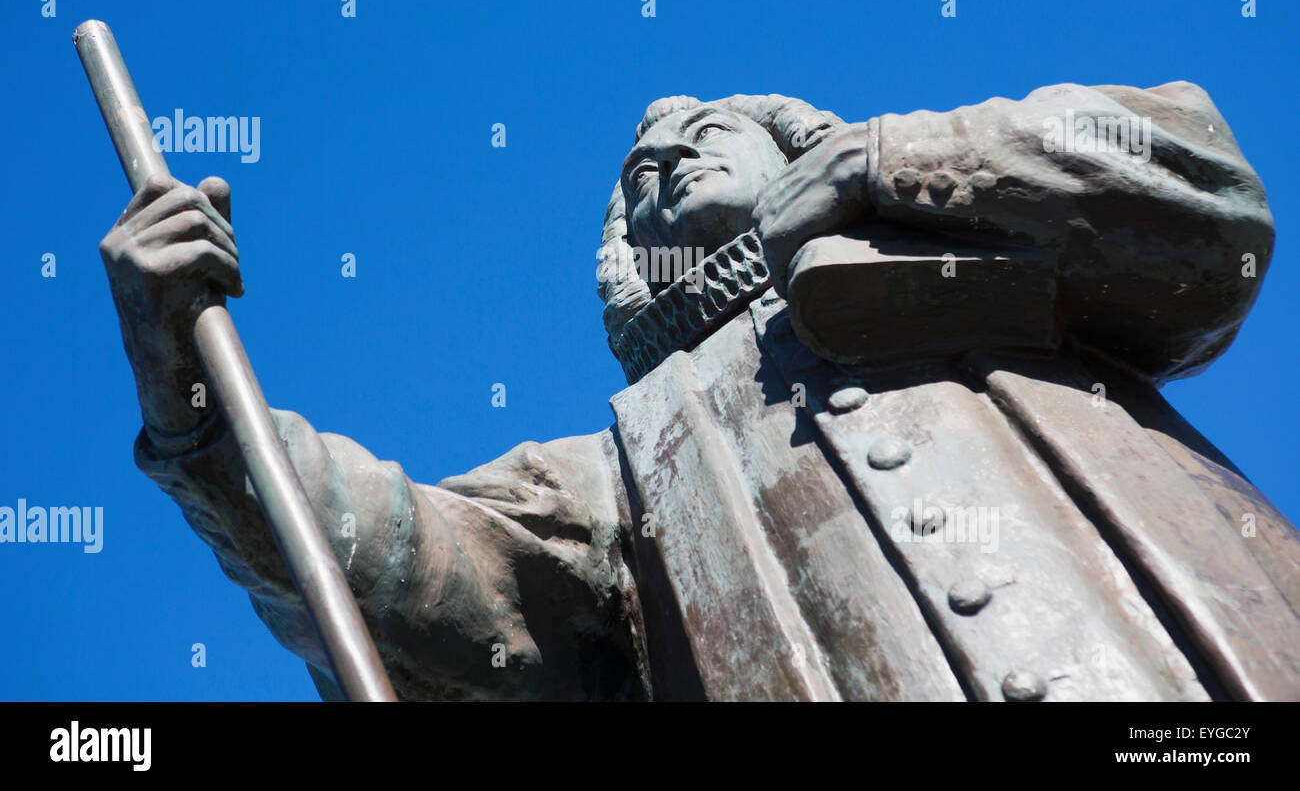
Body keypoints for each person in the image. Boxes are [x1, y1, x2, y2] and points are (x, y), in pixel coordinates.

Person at [100, 85, 1300, 701]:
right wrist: (193, 399)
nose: (669, 163)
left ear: (791, 143)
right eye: (643, 173)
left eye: (709, 133)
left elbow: (1202, 189)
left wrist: (887, 161)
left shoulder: (981, 228)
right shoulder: (630, 462)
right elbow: (401, 563)